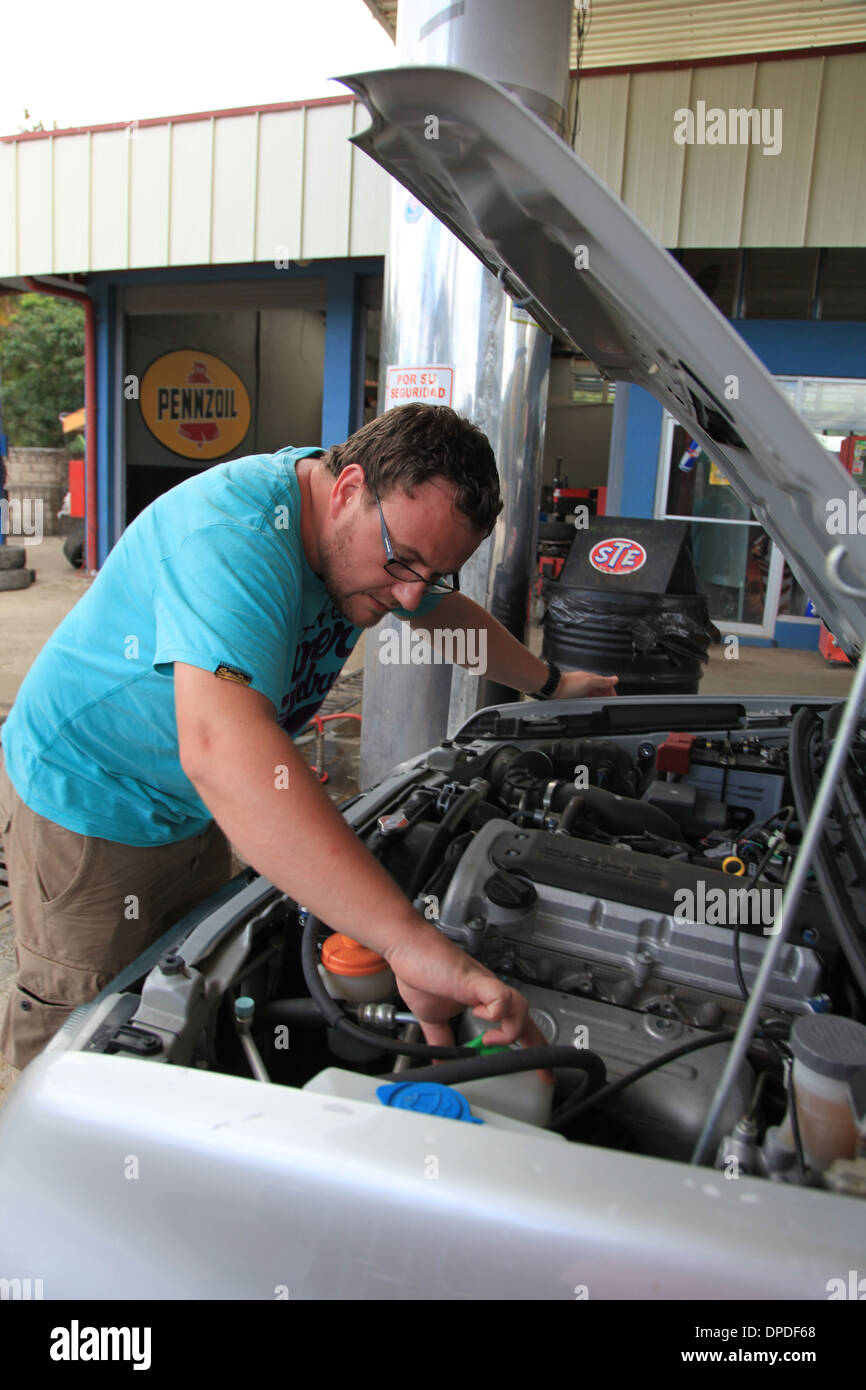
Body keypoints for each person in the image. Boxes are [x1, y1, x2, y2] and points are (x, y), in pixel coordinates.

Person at [0, 403, 617, 1069]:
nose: (410, 597)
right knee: (86, 1038)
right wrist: (407, 940)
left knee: (186, 993)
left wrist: (553, 685)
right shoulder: (235, 537)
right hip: (90, 801)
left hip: (190, 804)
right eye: (404, 564)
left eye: (432, 573)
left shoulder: (367, 528)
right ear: (349, 489)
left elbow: (442, 616)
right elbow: (222, 753)